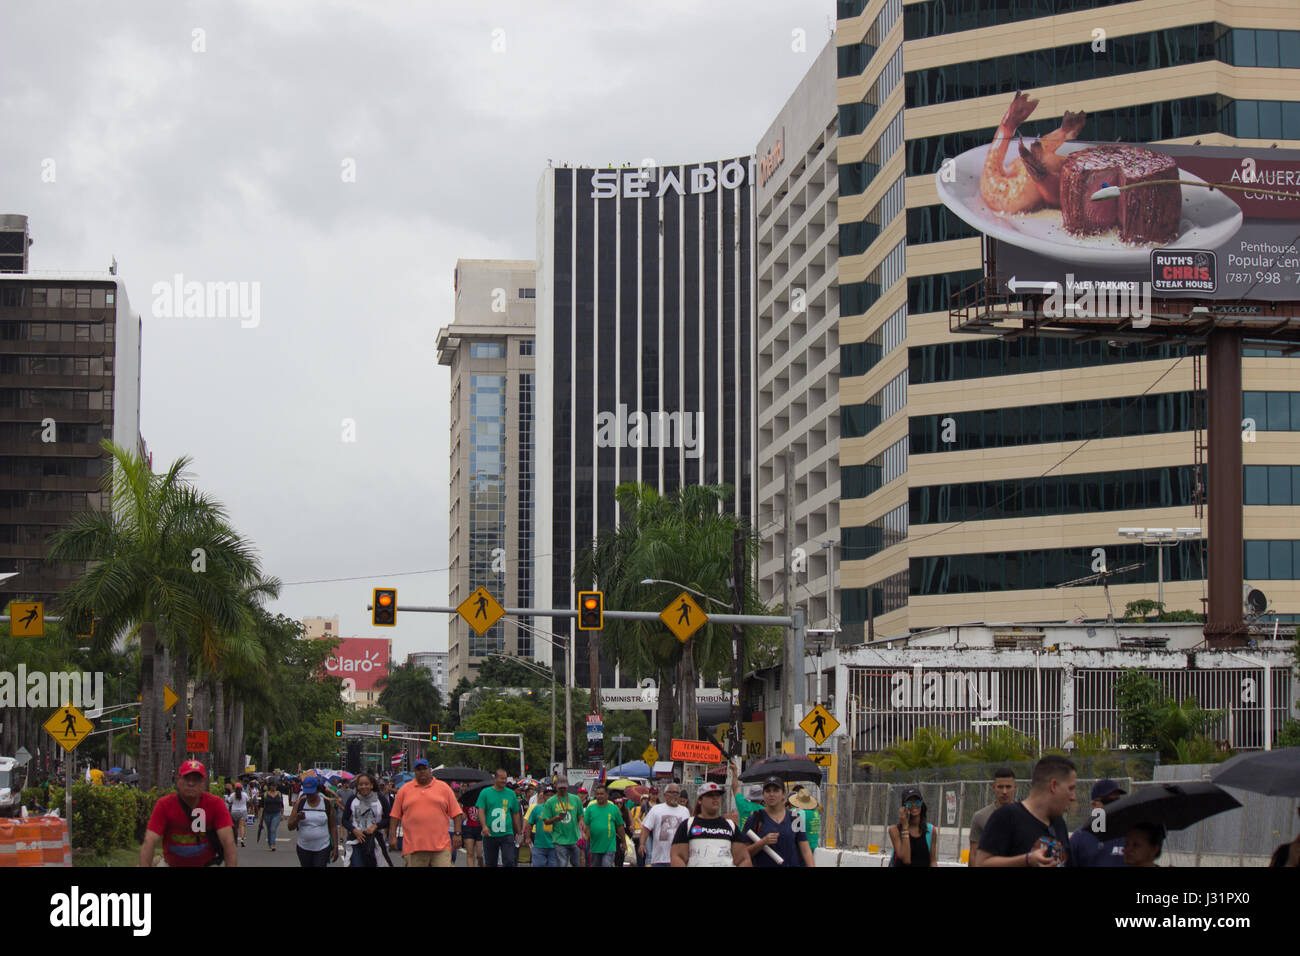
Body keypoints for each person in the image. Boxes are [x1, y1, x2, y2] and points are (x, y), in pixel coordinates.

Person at [974, 755, 1077, 867]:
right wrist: (1026, 860)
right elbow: (981, 863)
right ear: (1053, 786)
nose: (1073, 797)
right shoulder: (1007, 816)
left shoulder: (1059, 823)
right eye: (1070, 788)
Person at [140, 759, 237, 867]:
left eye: (196, 780)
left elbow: (228, 843)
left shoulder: (216, 804)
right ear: (178, 780)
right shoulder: (164, 804)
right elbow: (149, 841)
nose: (191, 783)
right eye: (187, 778)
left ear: (204, 783)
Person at [387, 759, 462, 867]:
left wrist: (457, 834)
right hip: (414, 847)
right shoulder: (404, 790)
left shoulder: (444, 788)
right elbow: (395, 815)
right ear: (415, 772)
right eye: (418, 769)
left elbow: (457, 813)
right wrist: (392, 836)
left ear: (430, 770)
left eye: (424, 769)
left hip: (441, 847)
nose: (422, 771)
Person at [670, 782, 750, 867]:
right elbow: (677, 856)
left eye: (718, 795)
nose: (715, 798)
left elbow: (743, 859)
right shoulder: (687, 825)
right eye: (710, 795)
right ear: (700, 800)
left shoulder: (731, 826)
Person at [740, 776, 814, 868]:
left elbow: (805, 850)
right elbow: (742, 854)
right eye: (768, 791)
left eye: (776, 790)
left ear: (783, 794)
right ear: (763, 795)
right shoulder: (755, 818)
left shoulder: (795, 818)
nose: (771, 794)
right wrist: (762, 842)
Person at [1068, 779, 1127, 866]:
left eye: (1117, 801)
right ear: (1094, 805)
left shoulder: (1128, 834)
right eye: (1109, 802)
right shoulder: (1080, 837)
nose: (1115, 806)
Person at [341, 772, 391, 867]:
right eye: (361, 784)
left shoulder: (380, 799)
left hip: (375, 840)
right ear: (357, 786)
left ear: (372, 785)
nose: (363, 787)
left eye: (366, 784)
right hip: (356, 839)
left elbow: (389, 818)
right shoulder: (352, 799)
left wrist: (376, 826)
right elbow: (344, 820)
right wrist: (354, 830)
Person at [476, 767, 523, 867]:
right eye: (501, 778)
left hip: (507, 833)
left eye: (505, 778)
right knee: (490, 862)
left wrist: (519, 831)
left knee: (509, 861)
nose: (504, 781)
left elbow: (515, 813)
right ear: (495, 779)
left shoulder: (511, 794)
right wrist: (484, 826)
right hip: (490, 833)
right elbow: (481, 810)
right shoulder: (485, 793)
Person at [968, 767, 1016, 865]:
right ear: (993, 787)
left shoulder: (1025, 814)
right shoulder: (980, 817)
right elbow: (973, 853)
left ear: (1015, 787)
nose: (1004, 791)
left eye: (1008, 787)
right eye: (1000, 787)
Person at [287, 775, 337, 867]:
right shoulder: (300, 803)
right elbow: (290, 827)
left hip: (322, 847)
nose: (309, 795)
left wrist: (335, 847)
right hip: (303, 847)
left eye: (312, 792)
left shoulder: (326, 804)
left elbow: (333, 827)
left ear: (317, 790)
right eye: (307, 793)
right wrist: (297, 818)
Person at [640, 782, 690, 867]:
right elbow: (646, 828)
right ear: (665, 795)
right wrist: (642, 844)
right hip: (659, 859)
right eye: (671, 792)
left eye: (677, 793)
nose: (674, 795)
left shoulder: (685, 811)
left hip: (678, 859)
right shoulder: (656, 809)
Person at [888, 786, 938, 867]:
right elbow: (906, 860)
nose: (914, 805)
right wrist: (905, 826)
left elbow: (933, 861)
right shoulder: (894, 830)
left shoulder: (930, 830)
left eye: (917, 802)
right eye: (909, 803)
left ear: (921, 804)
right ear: (903, 807)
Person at [544, 779, 585, 867]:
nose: (562, 790)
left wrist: (581, 821)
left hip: (575, 838)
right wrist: (556, 819)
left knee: (577, 863)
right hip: (559, 839)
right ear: (556, 787)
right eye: (560, 788)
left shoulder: (576, 799)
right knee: (562, 864)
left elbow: (581, 815)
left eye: (564, 788)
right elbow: (546, 821)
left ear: (568, 786)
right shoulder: (550, 802)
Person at [582, 785, 626, 867]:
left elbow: (620, 827)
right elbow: (586, 826)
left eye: (601, 794)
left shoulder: (614, 808)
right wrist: (586, 838)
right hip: (595, 846)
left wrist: (624, 842)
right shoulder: (590, 809)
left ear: (607, 795)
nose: (599, 796)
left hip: (609, 846)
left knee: (606, 864)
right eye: (597, 794)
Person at [525, 784, 558, 867]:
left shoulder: (559, 809)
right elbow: (529, 824)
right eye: (547, 795)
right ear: (543, 796)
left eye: (551, 795)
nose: (549, 797)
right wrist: (528, 837)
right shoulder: (537, 809)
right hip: (539, 845)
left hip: (555, 846)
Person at [258, 778, 284, 851]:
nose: (274, 787)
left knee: (273, 829)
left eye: (275, 785)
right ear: (269, 786)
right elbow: (262, 806)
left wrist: (282, 814)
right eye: (272, 785)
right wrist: (261, 816)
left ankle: (272, 845)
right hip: (267, 814)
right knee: (269, 829)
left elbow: (281, 805)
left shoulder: (279, 794)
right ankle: (270, 844)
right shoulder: (265, 794)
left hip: (276, 814)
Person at [228, 782, 250, 847]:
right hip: (243, 811)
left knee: (235, 827)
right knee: (242, 826)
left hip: (234, 811)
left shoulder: (233, 795)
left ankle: (235, 841)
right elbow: (248, 800)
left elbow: (229, 801)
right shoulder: (244, 794)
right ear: (241, 788)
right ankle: (242, 839)